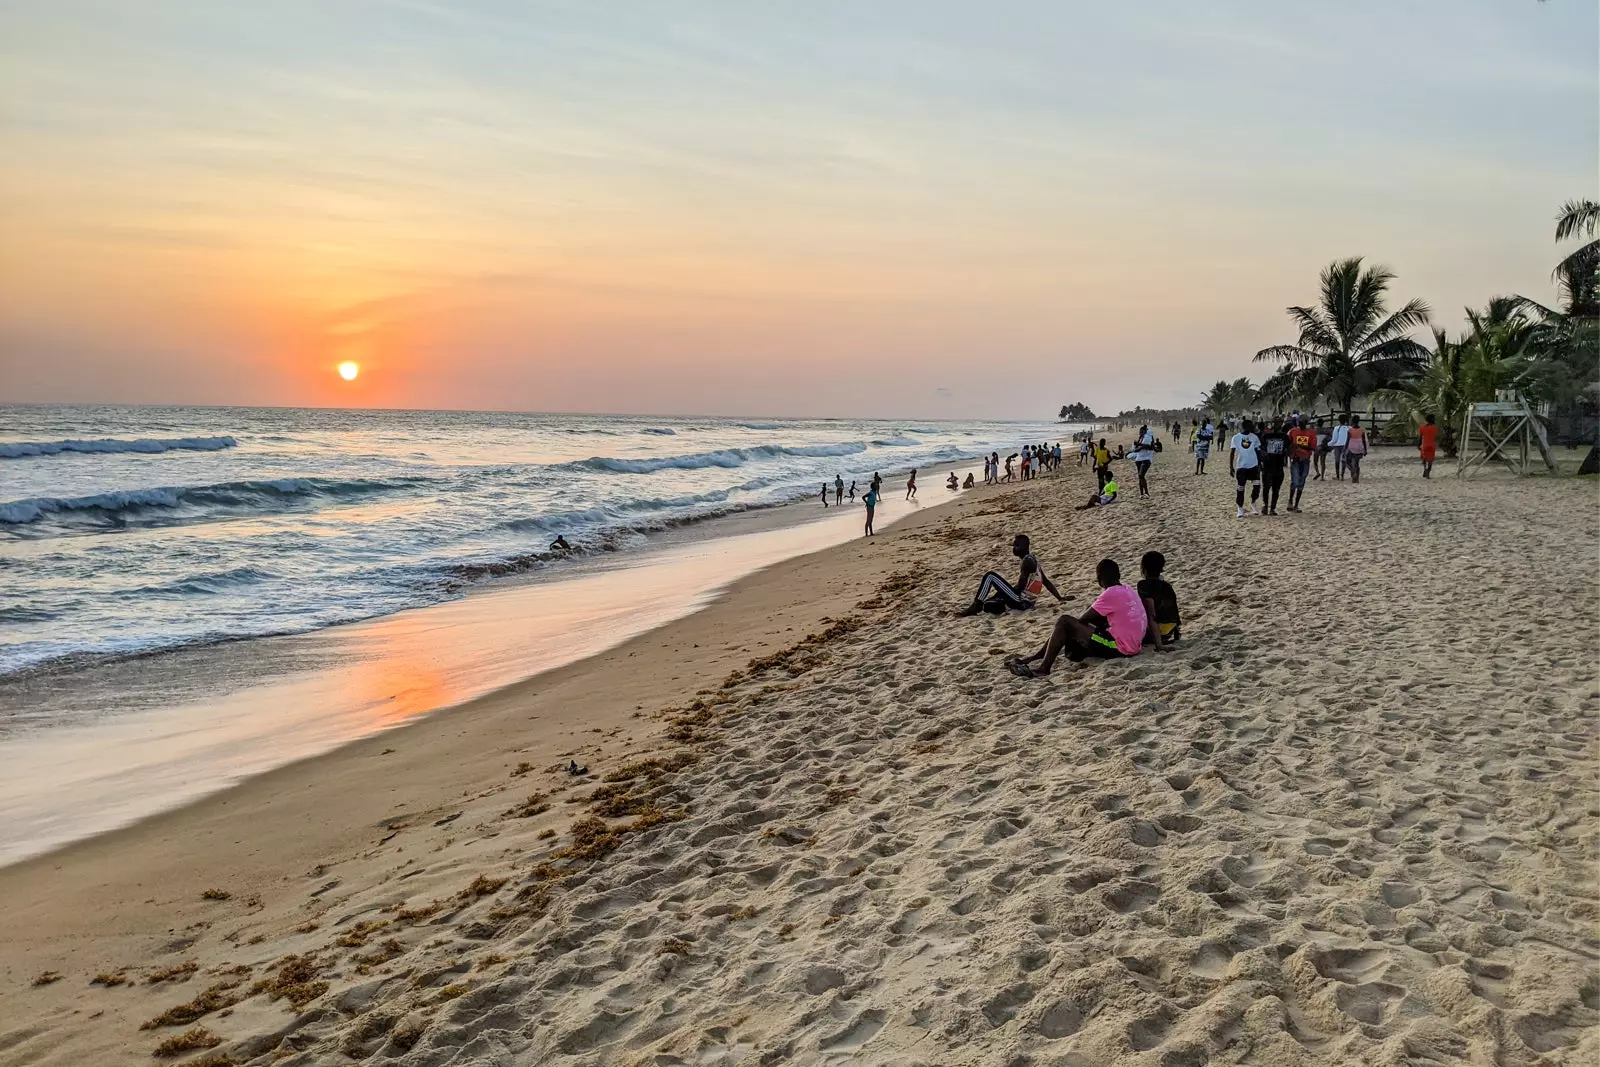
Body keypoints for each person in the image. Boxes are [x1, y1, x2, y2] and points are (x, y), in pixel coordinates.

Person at [1005, 558, 1166, 677]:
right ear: (1118, 575)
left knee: (1064, 621)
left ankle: (1043, 667)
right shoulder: (1127, 589)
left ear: (1099, 580)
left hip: (1121, 647)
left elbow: (1083, 619)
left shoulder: (1109, 593)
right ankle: (1036, 657)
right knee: (1070, 626)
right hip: (1133, 644)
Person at [956, 533, 1065, 616]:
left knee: (990, 576)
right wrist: (1060, 598)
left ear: (1019, 547)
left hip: (1022, 602)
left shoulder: (1027, 562)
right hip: (1029, 602)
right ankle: (983, 605)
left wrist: (1003, 592)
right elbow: (1046, 582)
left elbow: (1019, 588)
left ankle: (975, 606)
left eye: (1015, 545)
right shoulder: (1033, 558)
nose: (1013, 548)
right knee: (989, 604)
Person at [1136, 550, 1181, 645]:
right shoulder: (1167, 586)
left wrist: (1159, 645)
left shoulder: (1143, 585)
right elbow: (1175, 611)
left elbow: (1150, 612)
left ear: (1144, 569)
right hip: (1170, 631)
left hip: (1156, 632)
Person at [1229, 418, 1263, 518]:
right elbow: (1232, 453)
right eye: (1250, 426)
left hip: (1254, 465)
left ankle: (1253, 502)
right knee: (1240, 488)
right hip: (1242, 466)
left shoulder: (1254, 437)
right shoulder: (1236, 438)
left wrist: (1260, 465)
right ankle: (1240, 508)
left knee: (1257, 486)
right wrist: (1231, 467)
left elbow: (1258, 451)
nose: (1252, 427)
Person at [1258, 417, 1289, 516]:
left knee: (1276, 489)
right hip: (1268, 465)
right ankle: (1265, 506)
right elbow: (1260, 448)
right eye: (1276, 422)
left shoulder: (1284, 436)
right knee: (1266, 487)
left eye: (1280, 422)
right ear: (1272, 423)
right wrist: (1262, 458)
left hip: (1279, 465)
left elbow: (1289, 448)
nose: (1278, 424)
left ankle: (1272, 508)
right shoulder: (1267, 436)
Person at [1286, 416, 1317, 513]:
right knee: (1295, 481)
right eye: (1299, 422)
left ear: (1306, 423)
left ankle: (1296, 505)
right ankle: (1290, 501)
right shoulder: (1292, 432)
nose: (1300, 423)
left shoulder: (1311, 433)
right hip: (1295, 459)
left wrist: (1299, 446)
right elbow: (1288, 443)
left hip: (1305, 459)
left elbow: (1313, 447)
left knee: (1301, 481)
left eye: (1302, 422)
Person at [1131, 426, 1155, 498]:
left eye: (1142, 432)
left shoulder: (1149, 438)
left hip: (1146, 458)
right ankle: (1141, 493)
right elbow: (1136, 449)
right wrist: (1137, 446)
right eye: (1140, 432)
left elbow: (1150, 447)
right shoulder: (1140, 439)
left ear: (1145, 432)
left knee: (1141, 475)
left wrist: (1140, 446)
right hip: (1139, 459)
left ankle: (1147, 493)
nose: (1140, 433)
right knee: (1140, 476)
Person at [1344, 415, 1368, 483]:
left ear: (1352, 421)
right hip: (1359, 448)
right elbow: (1363, 440)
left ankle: (1353, 472)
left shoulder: (1350, 430)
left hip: (1351, 448)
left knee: (1347, 461)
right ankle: (1356, 478)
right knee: (1357, 464)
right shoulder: (1362, 430)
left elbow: (1347, 440)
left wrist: (1345, 449)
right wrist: (1365, 450)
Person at [1328, 414, 1350, 481]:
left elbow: (1334, 439)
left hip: (1337, 446)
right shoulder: (1349, 428)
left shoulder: (1336, 428)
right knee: (1344, 460)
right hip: (1346, 446)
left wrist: (1328, 444)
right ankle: (1342, 476)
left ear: (1339, 420)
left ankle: (1337, 476)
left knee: (1337, 461)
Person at [1418, 414, 1439, 478]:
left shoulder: (1422, 427)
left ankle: (1425, 469)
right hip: (1432, 445)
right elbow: (1436, 437)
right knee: (1430, 460)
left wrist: (1418, 444)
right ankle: (1428, 471)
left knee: (1424, 458)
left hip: (1425, 445)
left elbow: (1420, 437)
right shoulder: (1434, 428)